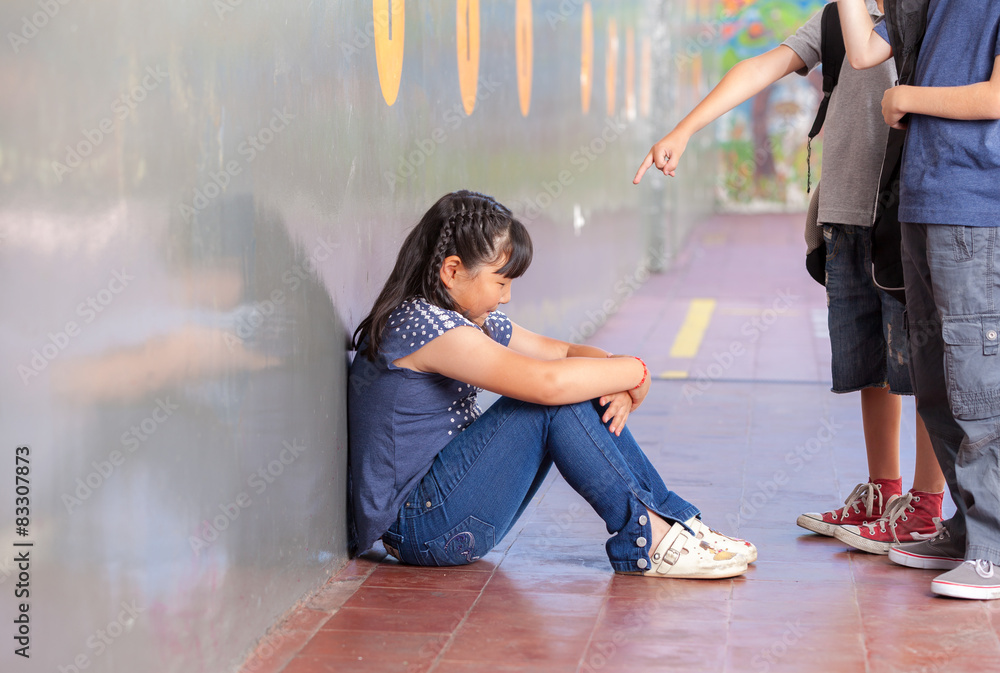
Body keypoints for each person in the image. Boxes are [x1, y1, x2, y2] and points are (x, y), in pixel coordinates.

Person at [633, 0, 946, 555]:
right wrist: (684, 129)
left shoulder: (921, 12)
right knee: (871, 364)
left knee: (921, 366)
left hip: (903, 211)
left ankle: (923, 507)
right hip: (845, 216)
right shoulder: (835, 18)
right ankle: (883, 490)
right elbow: (760, 66)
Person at [347, 190, 756, 579]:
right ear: (452, 271)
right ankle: (649, 538)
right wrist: (632, 371)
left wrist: (620, 374)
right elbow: (547, 383)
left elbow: (561, 354)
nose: (505, 297)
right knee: (555, 397)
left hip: (444, 512)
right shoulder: (424, 327)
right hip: (421, 524)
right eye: (500, 282)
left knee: (572, 385)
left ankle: (670, 522)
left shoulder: (466, 318)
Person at [838, 0, 1000, 599]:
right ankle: (967, 529)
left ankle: (996, 548)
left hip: (978, 205)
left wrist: (907, 98)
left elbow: (997, 96)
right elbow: (862, 50)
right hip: (926, 198)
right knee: (938, 382)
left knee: (981, 384)